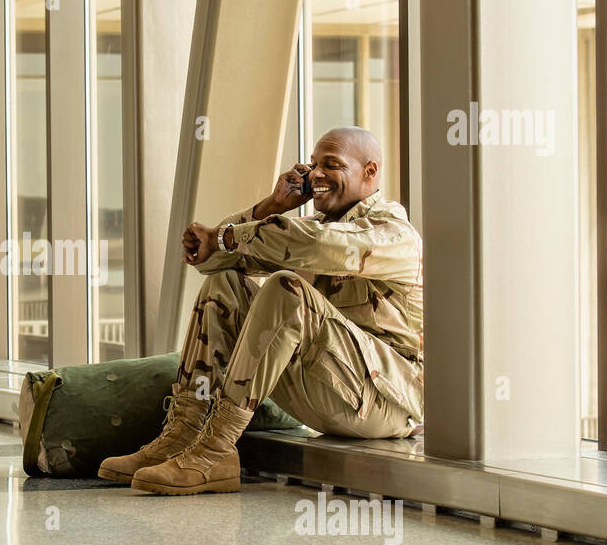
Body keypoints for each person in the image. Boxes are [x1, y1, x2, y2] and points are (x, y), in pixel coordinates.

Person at [100, 126, 424, 495]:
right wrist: (272, 207)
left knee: (287, 288)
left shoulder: (393, 232)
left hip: (385, 404)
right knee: (225, 285)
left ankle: (215, 450)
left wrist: (225, 235)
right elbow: (211, 260)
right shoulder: (314, 227)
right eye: (313, 164)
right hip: (329, 388)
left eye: (331, 165)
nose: (316, 174)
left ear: (370, 172)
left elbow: (317, 247)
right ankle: (182, 436)